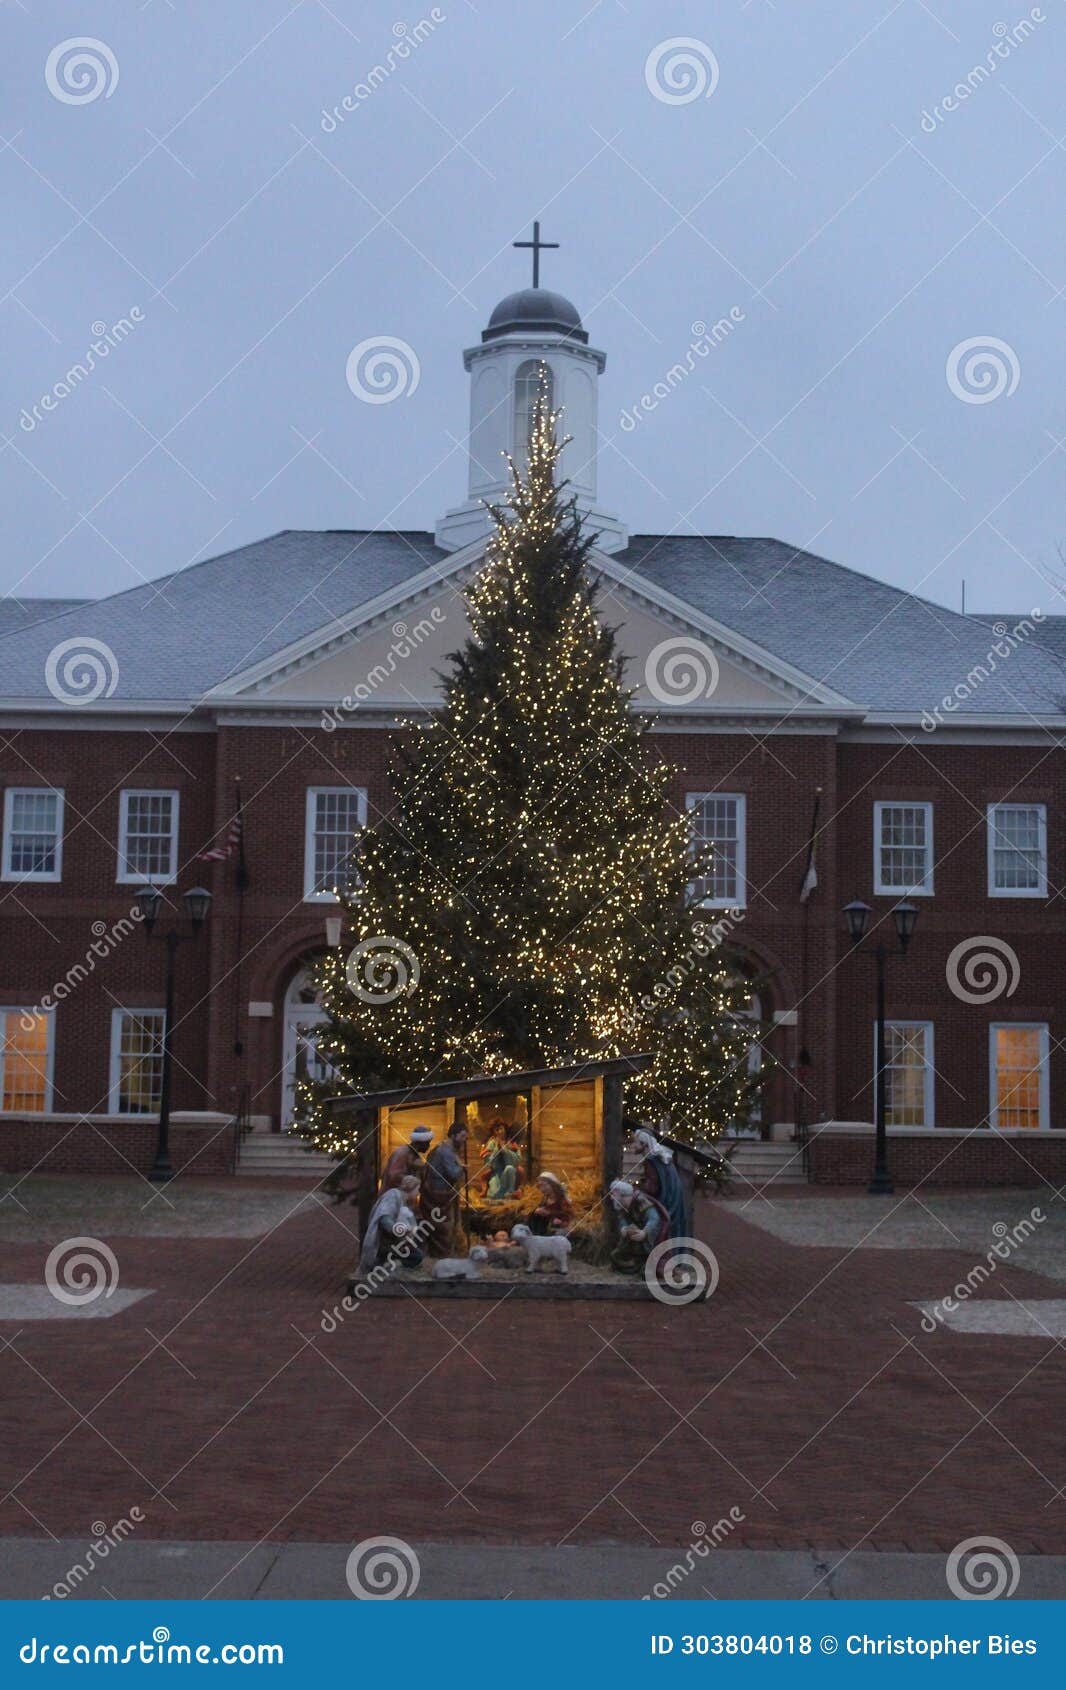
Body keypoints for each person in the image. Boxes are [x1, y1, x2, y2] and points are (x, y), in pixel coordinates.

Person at [358, 1175, 423, 1276]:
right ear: (411, 1188)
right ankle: (386, 1263)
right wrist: (404, 1230)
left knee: (417, 1255)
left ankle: (390, 1263)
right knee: (416, 1256)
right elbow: (384, 1220)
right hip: (383, 1243)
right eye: (418, 1189)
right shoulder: (393, 1196)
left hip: (393, 1242)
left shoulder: (402, 1200)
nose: (418, 1193)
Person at [421, 1121, 468, 1255]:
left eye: (465, 1137)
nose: (464, 1140)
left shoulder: (446, 1148)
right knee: (443, 1226)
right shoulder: (445, 1151)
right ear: (453, 1135)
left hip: (443, 1192)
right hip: (439, 1194)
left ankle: (445, 1252)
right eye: (462, 1136)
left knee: (445, 1224)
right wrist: (461, 1168)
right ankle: (442, 1254)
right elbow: (452, 1174)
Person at [631, 1126, 687, 1239]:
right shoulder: (658, 1157)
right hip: (673, 1199)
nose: (632, 1145)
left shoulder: (651, 1161)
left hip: (667, 1203)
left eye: (635, 1143)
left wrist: (636, 1189)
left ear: (644, 1144)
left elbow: (652, 1189)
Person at [608, 1178, 670, 1275]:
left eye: (614, 1195)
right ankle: (635, 1266)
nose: (612, 1198)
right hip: (631, 1238)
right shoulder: (622, 1205)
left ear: (623, 1195)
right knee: (615, 1256)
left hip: (646, 1238)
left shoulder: (640, 1201)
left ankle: (643, 1265)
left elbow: (654, 1219)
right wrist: (624, 1228)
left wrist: (644, 1232)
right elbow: (622, 1219)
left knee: (648, 1265)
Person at [379, 1125, 432, 1192]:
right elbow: (393, 1176)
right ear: (420, 1142)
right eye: (427, 1143)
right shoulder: (402, 1153)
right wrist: (412, 1180)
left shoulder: (415, 1155)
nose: (428, 1146)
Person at [529, 1171, 572, 1235]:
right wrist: (536, 1212)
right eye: (540, 1186)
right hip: (543, 1228)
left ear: (553, 1185)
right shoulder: (545, 1199)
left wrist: (557, 1219)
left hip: (556, 1229)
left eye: (544, 1185)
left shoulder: (562, 1200)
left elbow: (567, 1218)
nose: (542, 1189)